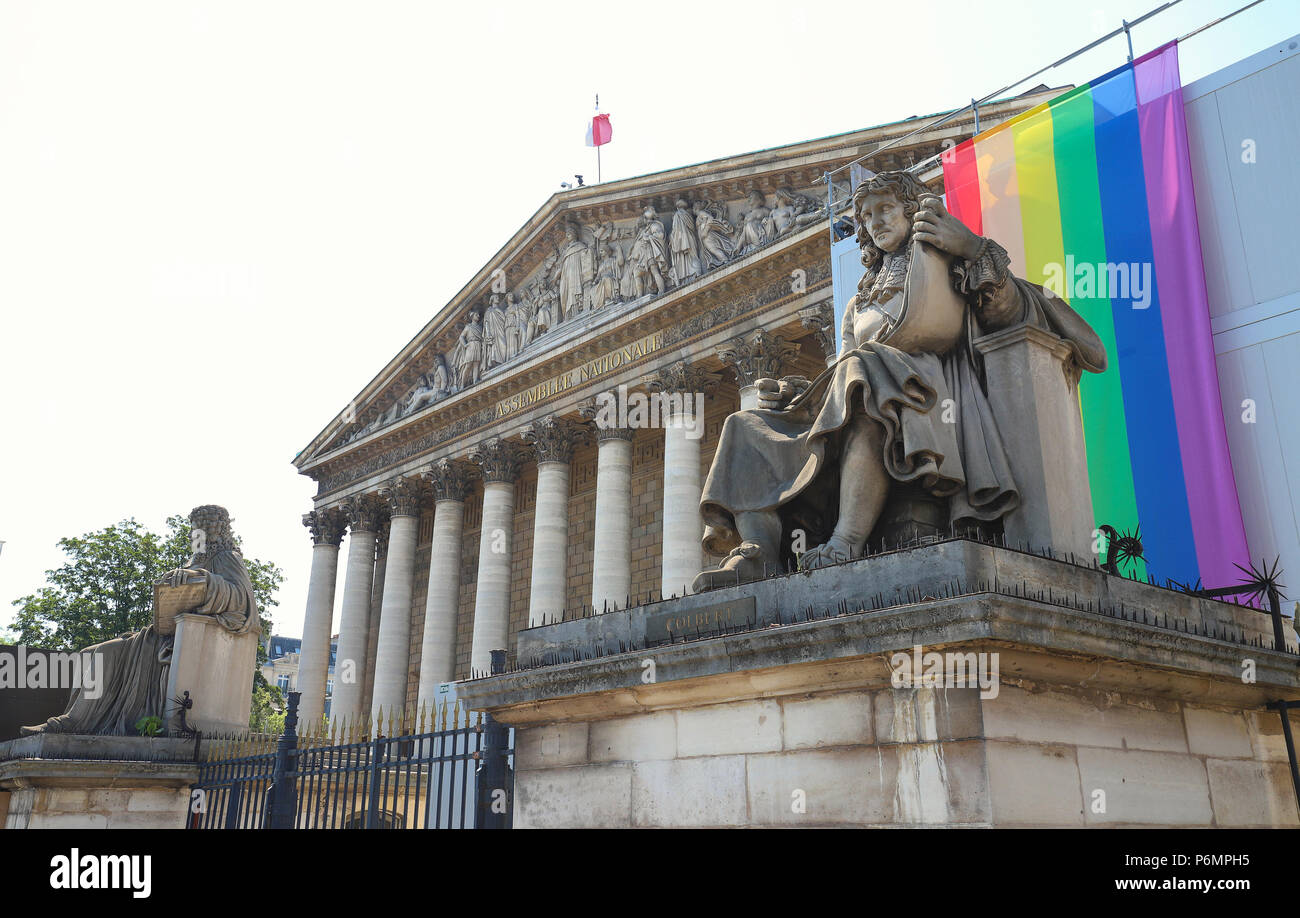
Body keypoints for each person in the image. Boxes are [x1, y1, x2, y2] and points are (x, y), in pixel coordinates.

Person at [692, 171, 1107, 590]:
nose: (875, 221)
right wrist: (802, 393)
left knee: (862, 373)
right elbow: (839, 367)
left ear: (914, 212)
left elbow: (1007, 311)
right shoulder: (859, 302)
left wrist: (973, 248)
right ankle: (759, 551)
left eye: (885, 209)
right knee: (745, 424)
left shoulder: (947, 263)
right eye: (867, 216)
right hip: (865, 386)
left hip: (928, 392)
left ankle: (846, 540)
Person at [22, 506, 260, 736]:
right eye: (193, 530)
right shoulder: (196, 559)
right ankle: (81, 719)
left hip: (179, 640)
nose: (193, 536)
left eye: (200, 530)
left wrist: (202, 579)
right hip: (161, 634)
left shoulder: (227, 557)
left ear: (217, 530)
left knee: (105, 652)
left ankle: (72, 723)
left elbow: (241, 600)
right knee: (88, 654)